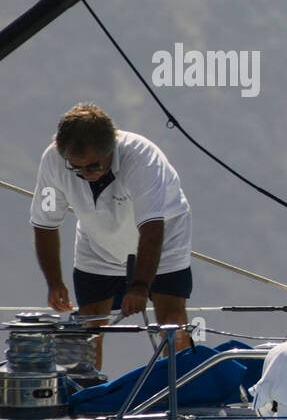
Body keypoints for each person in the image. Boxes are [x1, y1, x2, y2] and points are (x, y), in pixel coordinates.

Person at [31, 103, 194, 369]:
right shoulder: (53, 161)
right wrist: (54, 282)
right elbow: (45, 224)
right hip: (98, 242)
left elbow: (152, 228)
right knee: (89, 325)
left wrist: (140, 286)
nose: (85, 175)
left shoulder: (142, 159)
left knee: (171, 321)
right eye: (76, 168)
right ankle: (87, 397)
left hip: (164, 240)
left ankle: (182, 391)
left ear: (111, 150)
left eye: (94, 167)